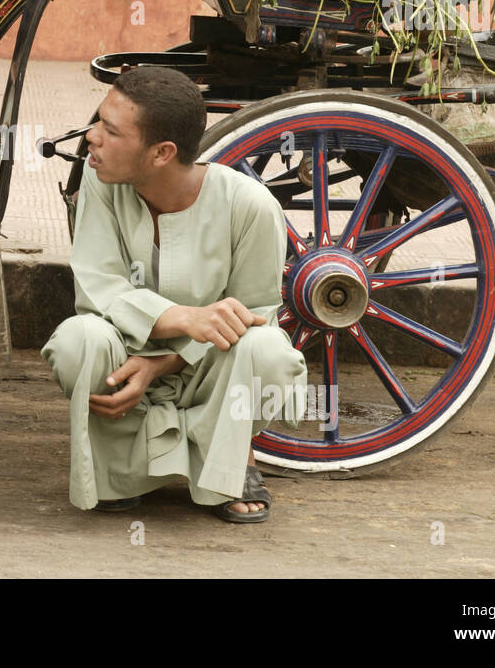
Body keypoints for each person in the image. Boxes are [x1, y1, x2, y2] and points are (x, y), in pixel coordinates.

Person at [41, 66, 307, 522]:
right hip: (123, 358)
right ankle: (120, 472)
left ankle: (233, 456)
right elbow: (98, 287)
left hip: (210, 367)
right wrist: (183, 318)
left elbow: (255, 316)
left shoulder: (251, 206)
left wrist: (166, 360)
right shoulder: (98, 179)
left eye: (110, 130)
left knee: (267, 352)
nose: (91, 138)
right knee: (77, 339)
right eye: (98, 122)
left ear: (162, 152)